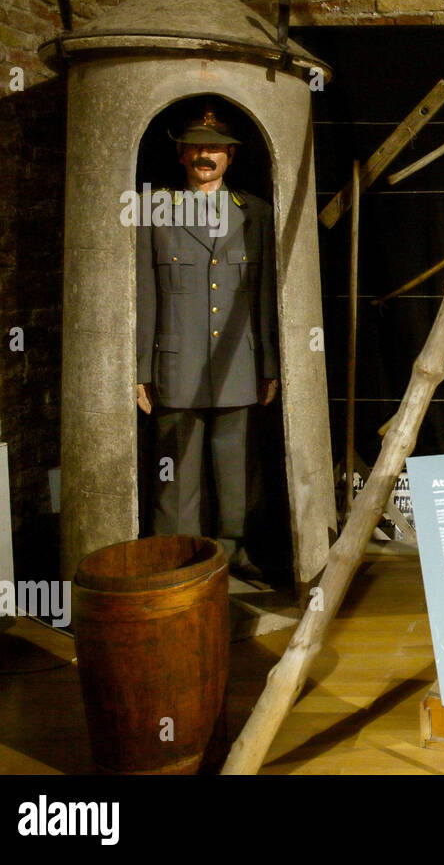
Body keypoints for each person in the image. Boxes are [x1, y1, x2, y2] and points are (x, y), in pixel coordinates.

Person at [135, 100, 278, 581]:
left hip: (239, 362)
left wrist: (269, 365)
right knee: (175, 472)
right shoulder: (155, 210)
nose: (205, 155)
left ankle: (236, 553)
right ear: (181, 154)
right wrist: (140, 370)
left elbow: (263, 296)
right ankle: (176, 560)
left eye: (215, 147)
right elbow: (144, 292)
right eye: (196, 146)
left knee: (237, 467)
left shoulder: (254, 213)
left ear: (230, 157)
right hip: (176, 364)